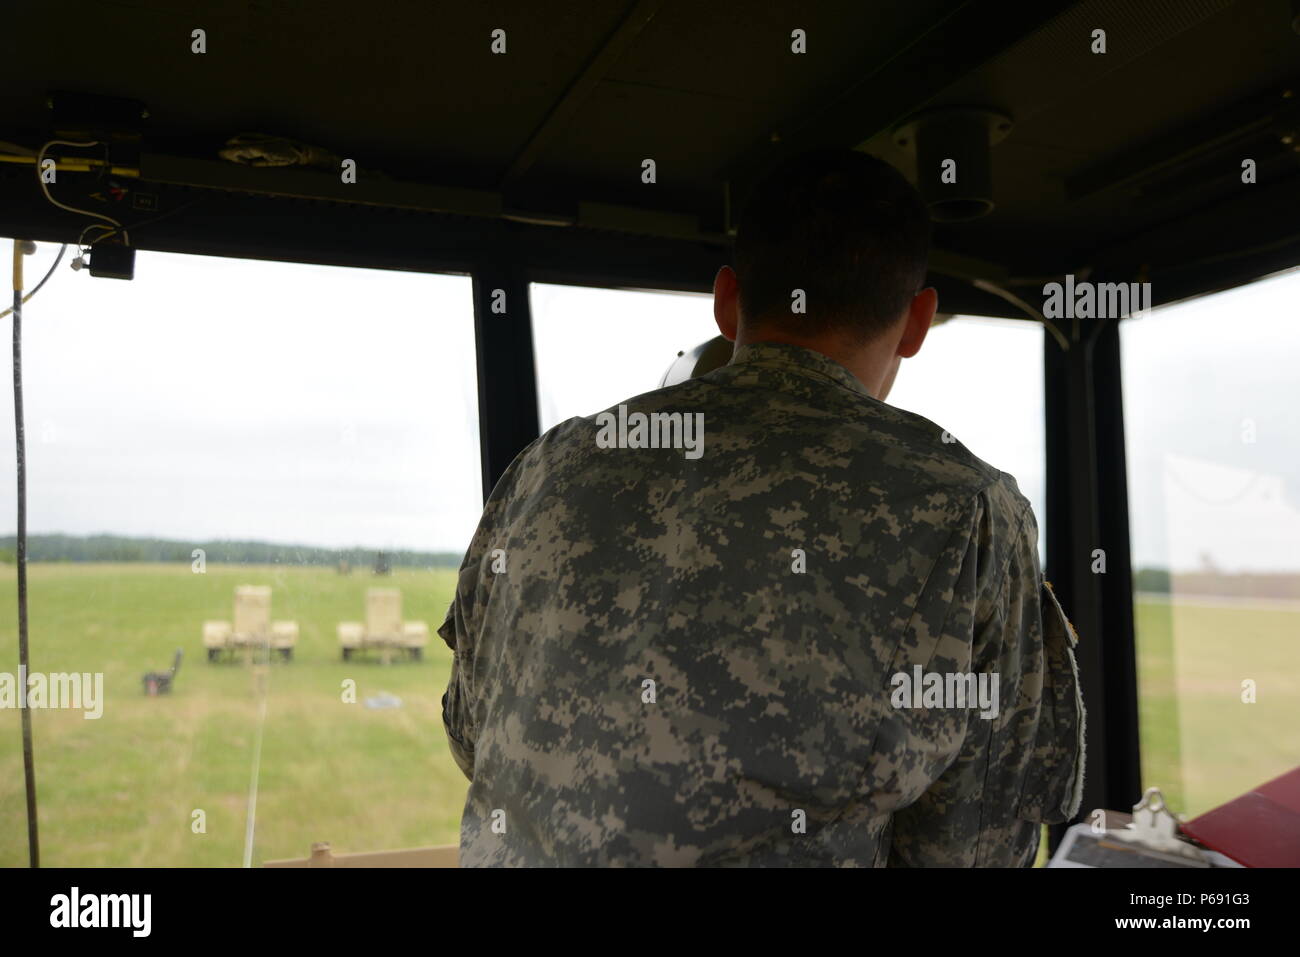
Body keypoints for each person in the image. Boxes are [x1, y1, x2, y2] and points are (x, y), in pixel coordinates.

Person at [439, 149, 1085, 867]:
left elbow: (475, 729)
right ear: (917, 322)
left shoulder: (545, 467)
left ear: (726, 301)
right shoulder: (968, 507)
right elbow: (975, 839)